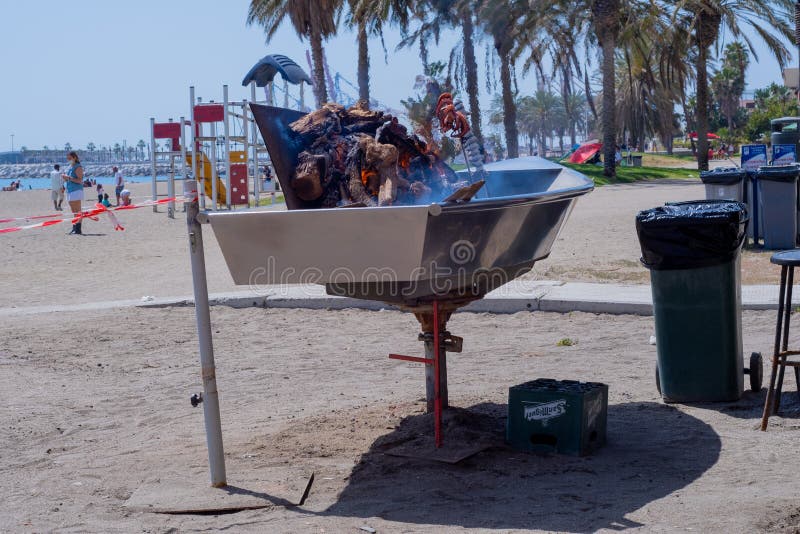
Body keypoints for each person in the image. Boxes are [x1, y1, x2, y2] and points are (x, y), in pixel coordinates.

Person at [62, 151, 85, 235]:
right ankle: (74, 227)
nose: (68, 160)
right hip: (70, 190)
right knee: (73, 210)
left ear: (74, 157)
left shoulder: (78, 167)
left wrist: (68, 178)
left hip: (76, 190)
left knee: (77, 210)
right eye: (67, 158)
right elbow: (68, 179)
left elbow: (79, 180)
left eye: (70, 158)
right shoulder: (70, 167)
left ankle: (78, 228)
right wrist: (64, 178)